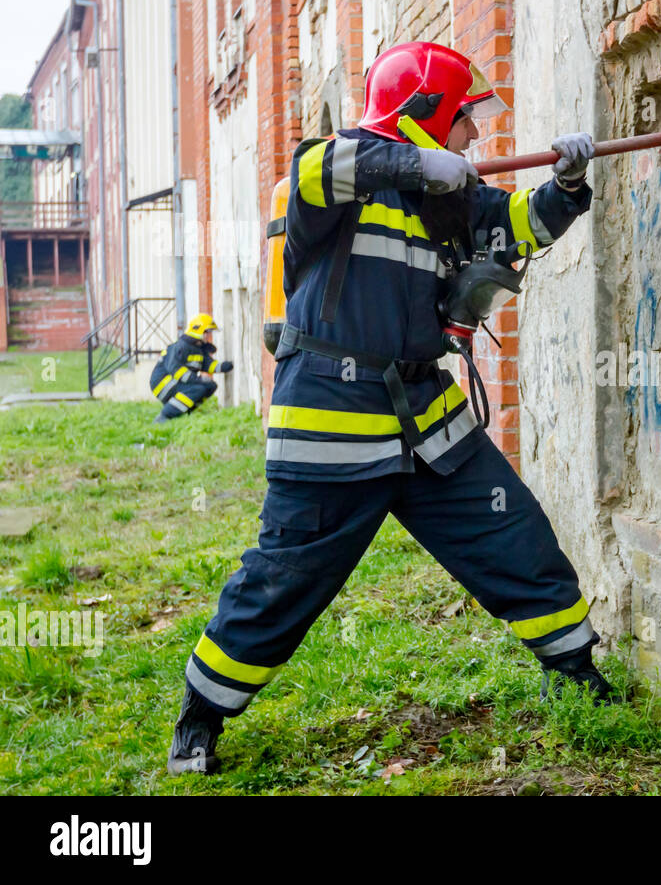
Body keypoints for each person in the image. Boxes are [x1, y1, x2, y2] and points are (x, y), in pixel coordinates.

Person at [167, 42, 611, 777]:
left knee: (512, 529)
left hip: (425, 415)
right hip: (330, 419)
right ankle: (201, 711)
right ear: (427, 114)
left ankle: (574, 670)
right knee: (283, 579)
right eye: (464, 121)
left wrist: (564, 185)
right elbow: (315, 167)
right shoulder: (335, 172)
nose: (472, 136)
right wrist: (414, 163)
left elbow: (515, 226)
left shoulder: (452, 195)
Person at [150, 313, 232, 423]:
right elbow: (176, 370)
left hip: (174, 381)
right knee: (198, 388)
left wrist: (224, 367)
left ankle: (186, 411)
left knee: (210, 386)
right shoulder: (182, 346)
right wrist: (198, 380)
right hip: (162, 382)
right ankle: (165, 416)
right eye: (207, 332)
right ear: (199, 331)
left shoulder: (198, 348)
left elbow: (208, 365)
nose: (208, 336)